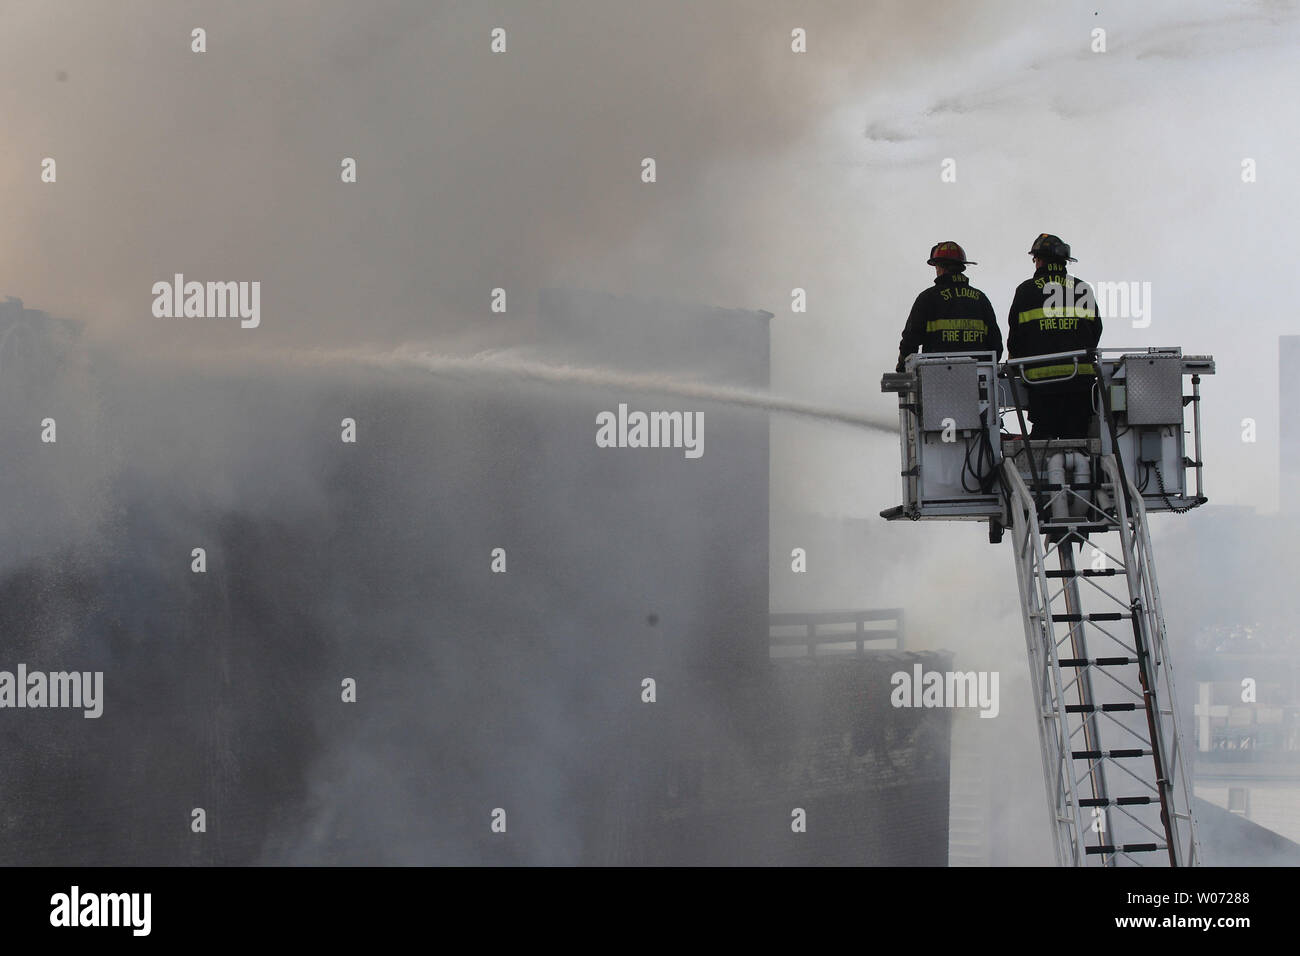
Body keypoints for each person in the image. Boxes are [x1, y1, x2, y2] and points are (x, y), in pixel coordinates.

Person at [1006, 234, 1103, 439]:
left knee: (1044, 446)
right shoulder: (1082, 288)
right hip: (1080, 385)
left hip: (1042, 388)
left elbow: (1015, 338)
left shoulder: (1026, 291)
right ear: (1064, 262)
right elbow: (1096, 331)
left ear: (1039, 260)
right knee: (1079, 442)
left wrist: (1017, 364)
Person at [896, 241, 1002, 373]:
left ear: (940, 267)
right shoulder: (981, 299)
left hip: (935, 379)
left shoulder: (927, 298)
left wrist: (901, 367)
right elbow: (996, 346)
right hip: (978, 381)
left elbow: (910, 342)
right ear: (962, 268)